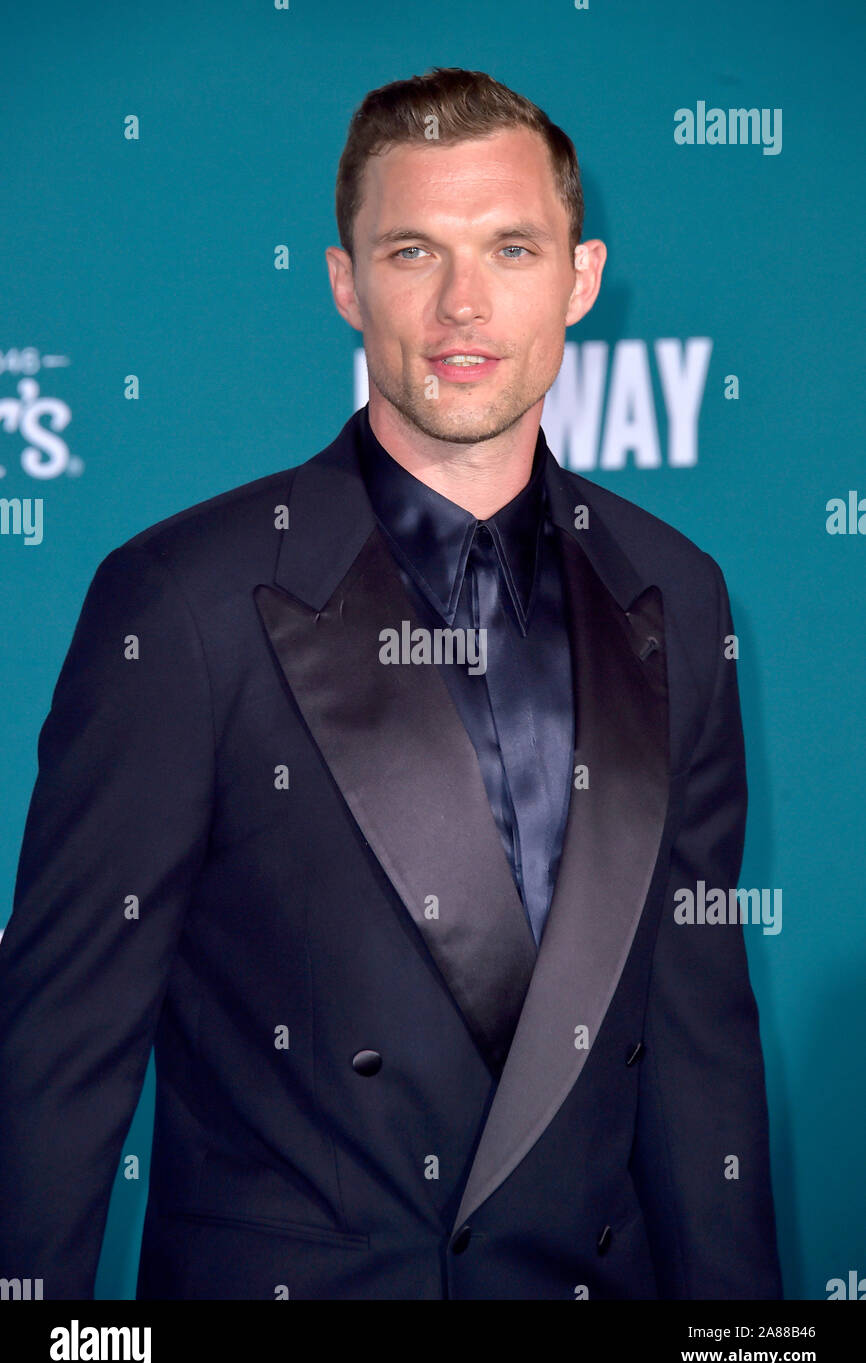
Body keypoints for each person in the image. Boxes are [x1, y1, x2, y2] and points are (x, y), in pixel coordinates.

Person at [0, 66, 783, 1300]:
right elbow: (55, 1058)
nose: (463, 305)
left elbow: (692, 1050)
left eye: (511, 248)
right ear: (343, 281)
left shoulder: (677, 595)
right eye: (414, 249)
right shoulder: (181, 603)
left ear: (578, 279)